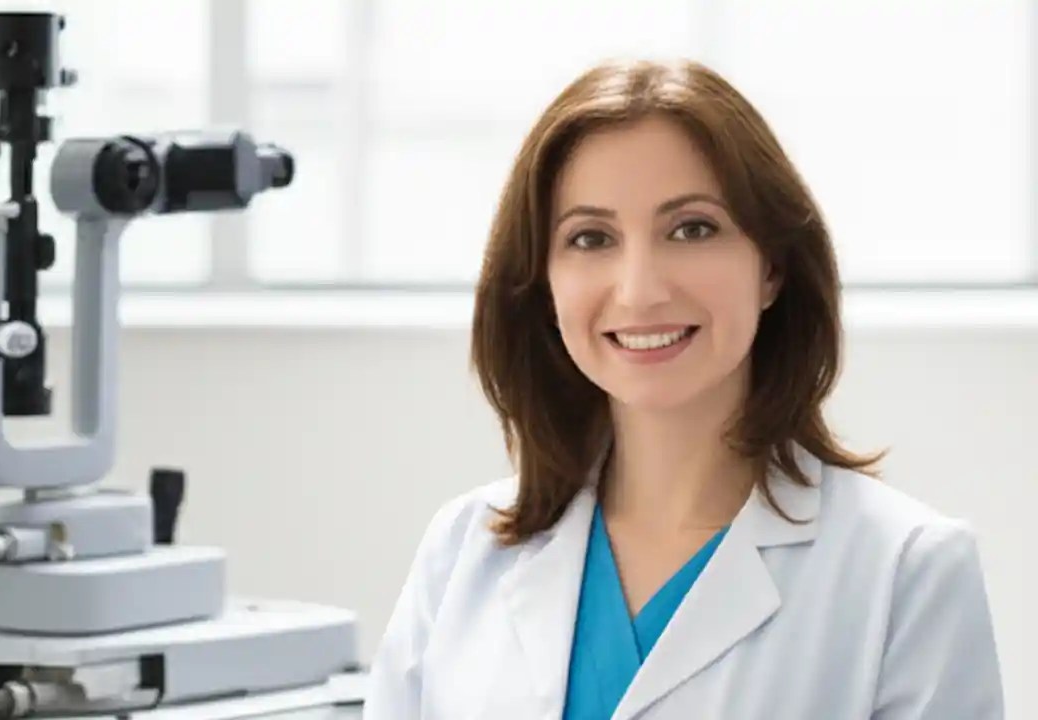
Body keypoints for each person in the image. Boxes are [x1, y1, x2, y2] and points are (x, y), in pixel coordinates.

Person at [361, 58, 1005, 719]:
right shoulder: (463, 551)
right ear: (543, 284)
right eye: (591, 238)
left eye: (692, 229)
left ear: (771, 268)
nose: (640, 290)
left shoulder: (907, 572)